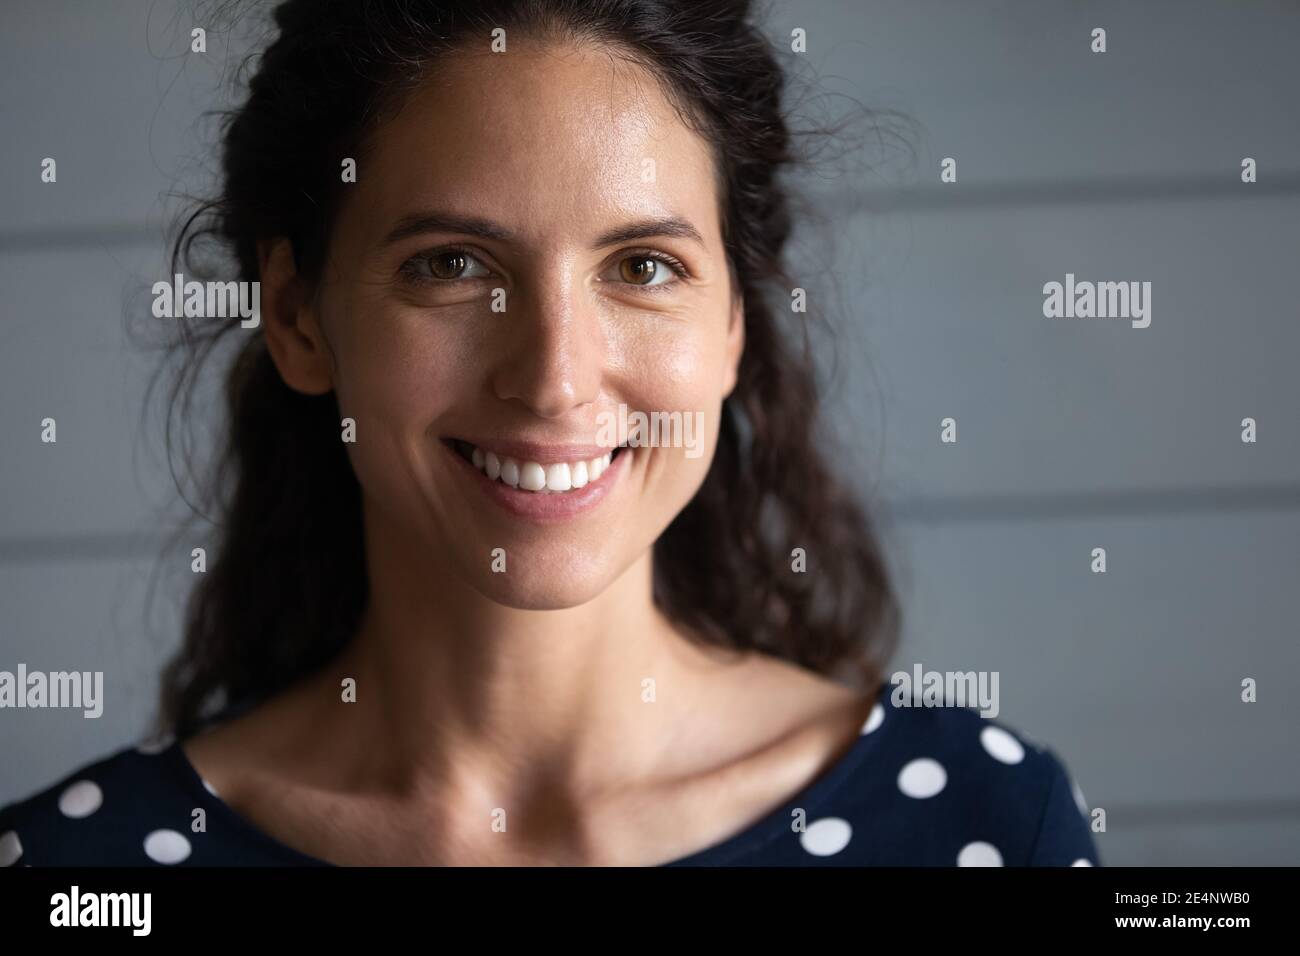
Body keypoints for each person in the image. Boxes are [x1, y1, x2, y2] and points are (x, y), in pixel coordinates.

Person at [0, 0, 1099, 867]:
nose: (556, 380)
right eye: (451, 264)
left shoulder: (986, 826)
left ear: (730, 327)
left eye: (641, 267)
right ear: (298, 318)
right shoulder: (75, 868)